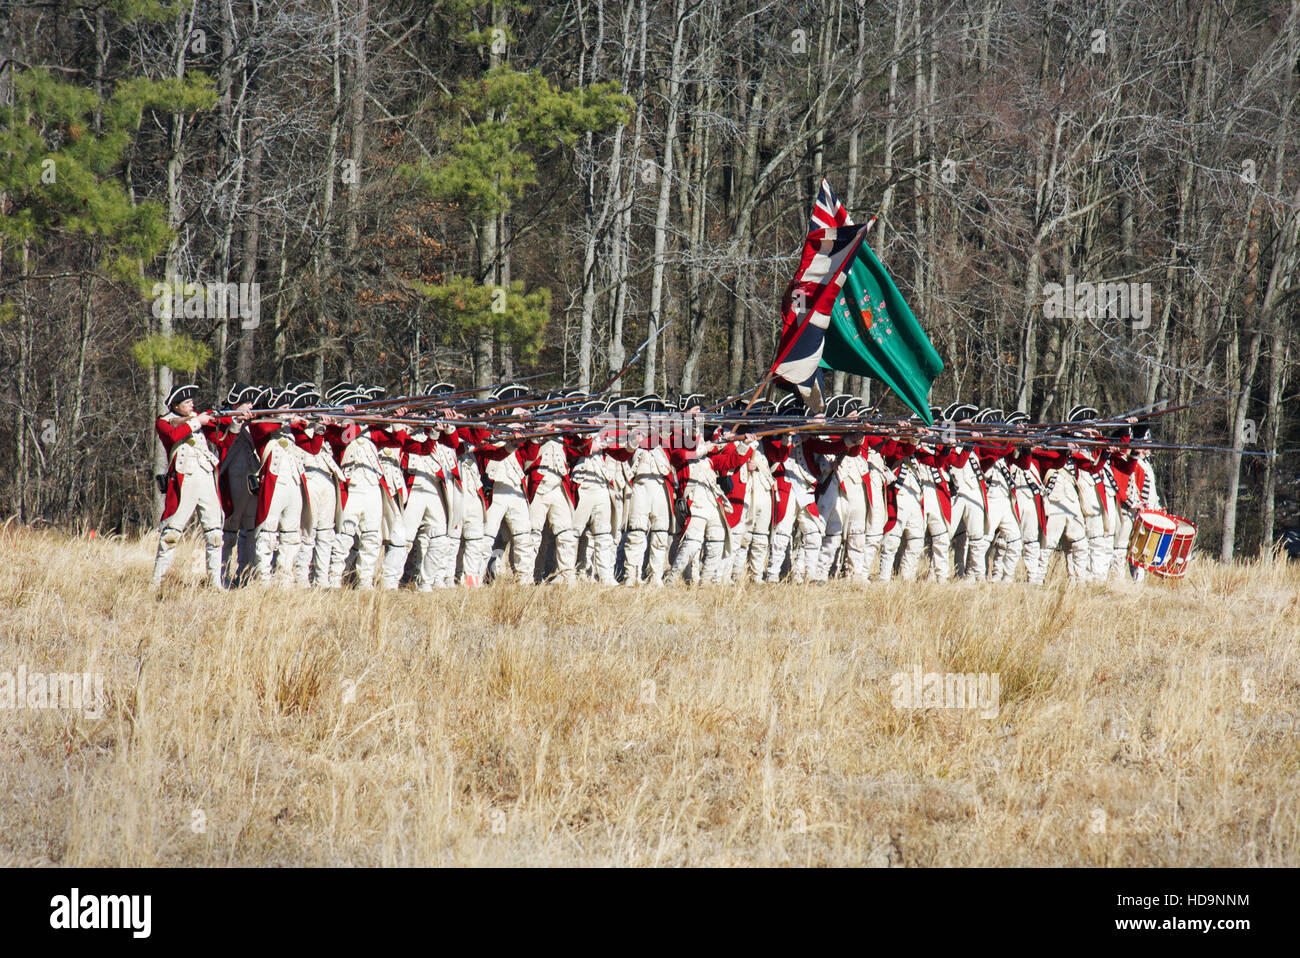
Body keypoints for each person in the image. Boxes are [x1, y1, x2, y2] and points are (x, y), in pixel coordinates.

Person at [151, 383, 229, 588]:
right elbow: (174, 435)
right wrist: (197, 421)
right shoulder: (165, 421)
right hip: (184, 479)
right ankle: (158, 582)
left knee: (214, 535)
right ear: (176, 406)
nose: (192, 403)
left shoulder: (197, 419)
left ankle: (215, 583)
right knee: (171, 534)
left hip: (205, 478)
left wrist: (235, 420)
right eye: (187, 401)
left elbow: (221, 439)